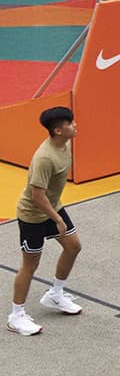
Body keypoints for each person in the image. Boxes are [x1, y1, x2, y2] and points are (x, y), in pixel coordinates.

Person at [7, 107, 83, 336]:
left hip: (53, 206)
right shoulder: (45, 158)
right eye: (70, 123)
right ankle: (16, 316)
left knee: (73, 246)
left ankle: (55, 295)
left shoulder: (65, 144)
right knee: (30, 264)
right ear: (58, 130)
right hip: (33, 214)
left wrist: (56, 214)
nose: (75, 125)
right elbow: (36, 196)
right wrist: (57, 219)